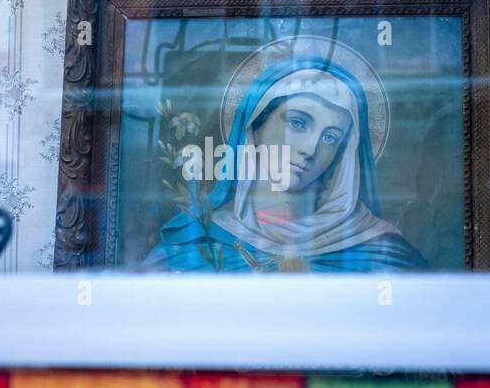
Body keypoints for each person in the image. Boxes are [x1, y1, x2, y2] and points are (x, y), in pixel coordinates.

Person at [145, 51, 426, 272]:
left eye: (330, 137)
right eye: (297, 123)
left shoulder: (384, 253)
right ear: (255, 126)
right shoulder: (193, 244)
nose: (310, 148)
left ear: (344, 153)